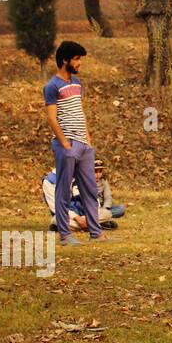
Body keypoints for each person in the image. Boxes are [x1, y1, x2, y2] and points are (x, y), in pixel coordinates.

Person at [43, 40, 109, 245]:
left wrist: (88, 140)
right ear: (65, 61)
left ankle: (96, 233)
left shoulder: (77, 84)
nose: (79, 63)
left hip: (83, 145)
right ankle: (65, 235)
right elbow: (52, 118)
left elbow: (80, 113)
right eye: (76, 59)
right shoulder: (52, 86)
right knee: (63, 190)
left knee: (89, 188)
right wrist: (65, 145)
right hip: (67, 145)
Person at [43, 159, 125, 232]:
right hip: (67, 213)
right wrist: (77, 218)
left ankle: (83, 225)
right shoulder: (49, 182)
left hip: (84, 211)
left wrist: (89, 214)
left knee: (107, 213)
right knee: (56, 220)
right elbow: (57, 207)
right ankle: (96, 224)